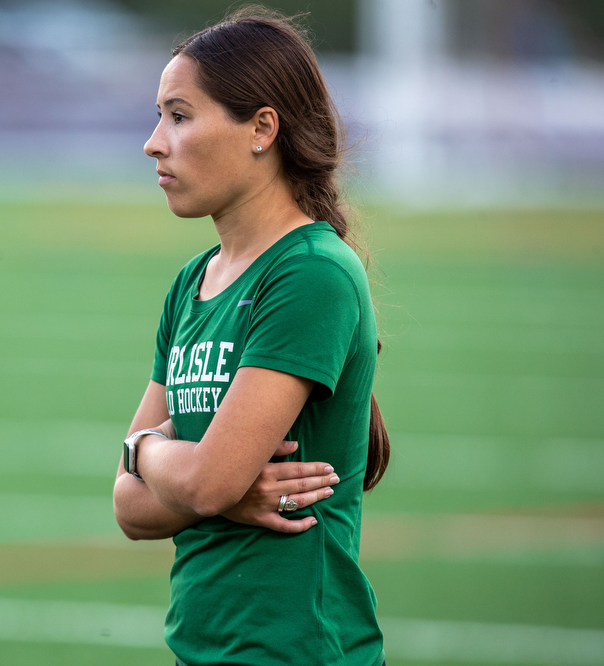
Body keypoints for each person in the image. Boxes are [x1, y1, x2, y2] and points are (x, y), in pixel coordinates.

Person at [112, 7, 390, 666]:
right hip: (201, 649)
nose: (154, 143)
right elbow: (130, 510)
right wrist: (204, 484)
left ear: (262, 128)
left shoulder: (311, 273)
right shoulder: (192, 282)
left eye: (179, 117)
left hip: (299, 653)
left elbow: (203, 483)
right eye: (159, 117)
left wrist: (145, 450)